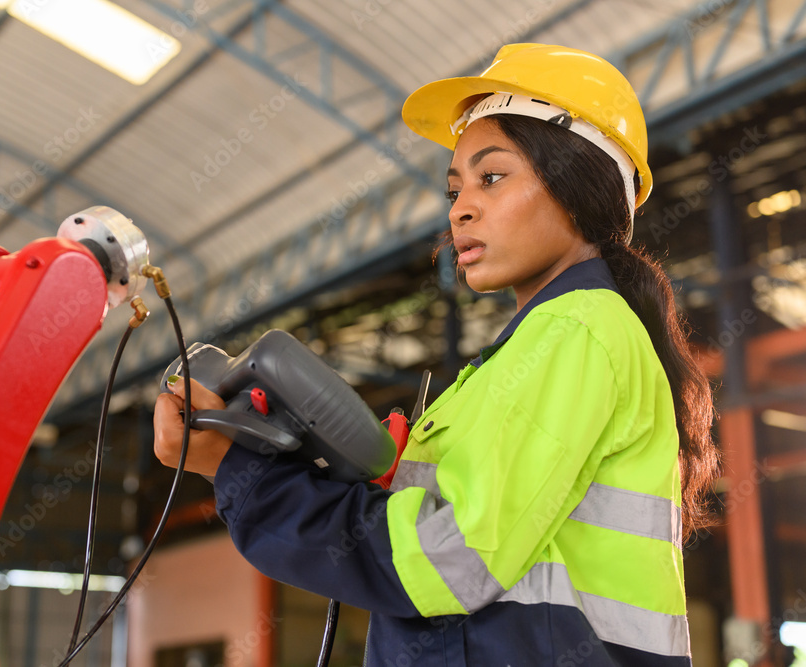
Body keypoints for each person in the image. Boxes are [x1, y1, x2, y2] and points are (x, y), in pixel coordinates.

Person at [153, 43, 720, 666]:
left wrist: (241, 474)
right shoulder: (537, 347)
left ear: (578, 185)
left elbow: (446, 563)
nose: (461, 207)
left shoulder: (577, 329)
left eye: (493, 177)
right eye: (454, 188)